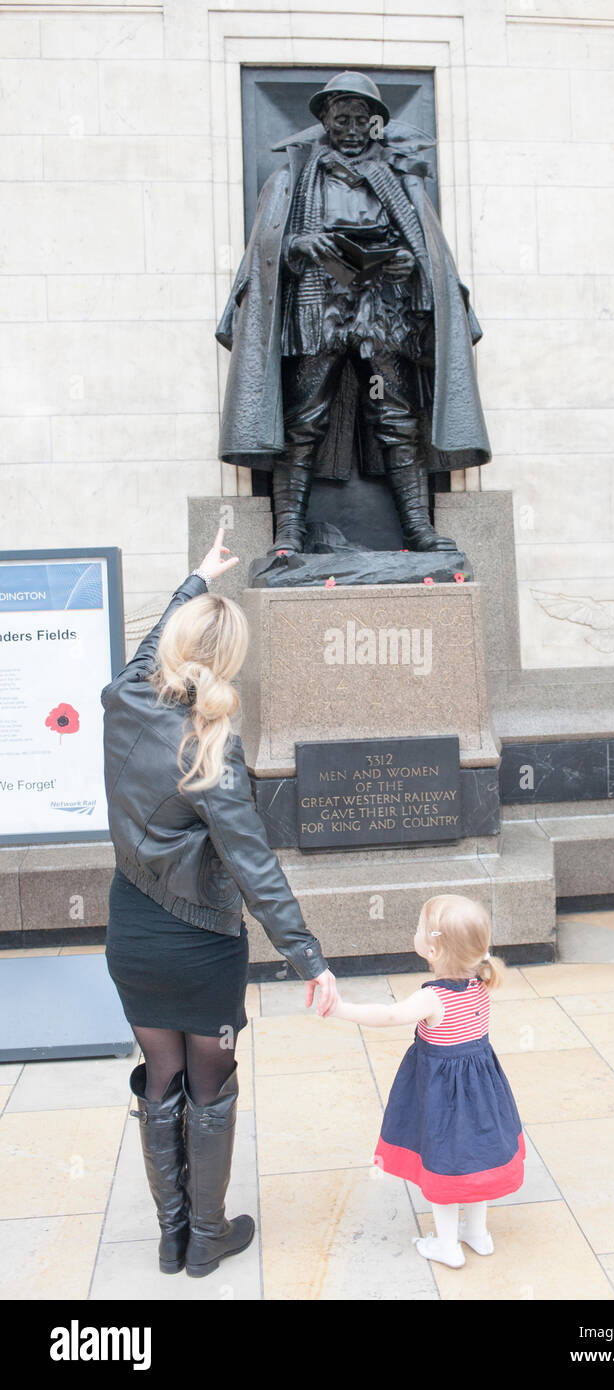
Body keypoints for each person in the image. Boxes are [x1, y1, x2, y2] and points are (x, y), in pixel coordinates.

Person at [101, 528, 336, 1278]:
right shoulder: (211, 749)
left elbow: (146, 650)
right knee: (210, 1085)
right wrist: (309, 959)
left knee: (160, 1077)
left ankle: (172, 1239)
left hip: (132, 933)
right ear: (230, 662)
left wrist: (196, 579)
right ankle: (207, 1235)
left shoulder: (122, 699)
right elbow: (254, 865)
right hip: (201, 942)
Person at [215, 71, 491, 554]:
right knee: (304, 420)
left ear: (374, 124)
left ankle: (417, 528)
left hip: (382, 312)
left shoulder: (398, 180)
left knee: (398, 417)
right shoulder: (295, 178)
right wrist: (301, 243)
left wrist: (409, 264)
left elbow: (427, 252)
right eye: (341, 118)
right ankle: (289, 535)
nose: (350, 128)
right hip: (318, 309)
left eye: (361, 119)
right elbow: (267, 249)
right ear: (325, 120)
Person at [317, 894, 525, 1268]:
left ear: (432, 947)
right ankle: (476, 1233)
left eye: (418, 926)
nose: (413, 931)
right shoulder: (482, 984)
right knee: (475, 1161)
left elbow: (388, 1015)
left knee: (443, 1166)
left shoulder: (433, 997)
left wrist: (340, 1009)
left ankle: (447, 1246)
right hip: (482, 1098)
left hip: (443, 1102)